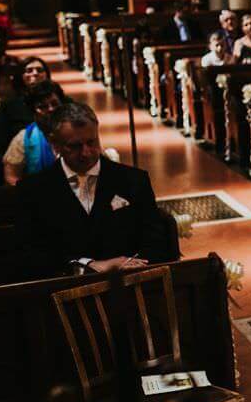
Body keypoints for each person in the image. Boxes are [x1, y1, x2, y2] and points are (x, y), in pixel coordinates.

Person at [17, 101, 172, 279]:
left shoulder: (133, 180)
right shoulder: (33, 190)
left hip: (130, 286)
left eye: (91, 142)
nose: (86, 152)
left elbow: (156, 241)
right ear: (55, 143)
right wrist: (86, 266)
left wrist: (129, 265)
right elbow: (31, 254)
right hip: (65, 291)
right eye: (74, 146)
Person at [3, 80, 65, 185]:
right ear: (33, 112)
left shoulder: (76, 131)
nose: (51, 109)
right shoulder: (24, 138)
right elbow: (11, 176)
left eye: (55, 104)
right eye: (43, 107)